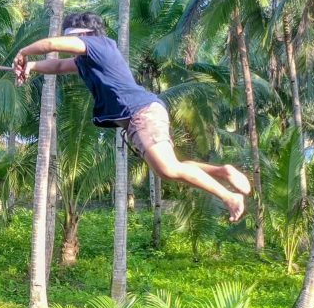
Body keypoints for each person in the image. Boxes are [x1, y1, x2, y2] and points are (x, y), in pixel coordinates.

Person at [13, 11, 250, 222]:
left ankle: (229, 197)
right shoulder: (86, 60)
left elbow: (53, 43)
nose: (69, 45)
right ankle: (223, 172)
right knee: (168, 169)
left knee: (168, 169)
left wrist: (23, 52)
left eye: (72, 38)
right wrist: (31, 66)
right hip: (139, 117)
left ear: (83, 34)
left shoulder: (99, 44)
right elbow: (57, 67)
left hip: (142, 113)